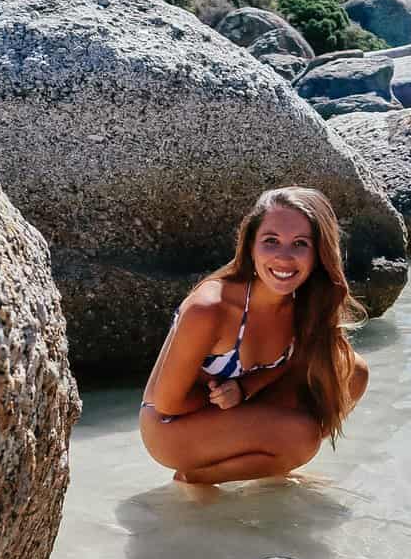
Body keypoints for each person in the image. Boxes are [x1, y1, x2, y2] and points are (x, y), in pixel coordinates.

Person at [140, 186, 369, 484]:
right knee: (301, 436)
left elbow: (293, 361)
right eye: (271, 241)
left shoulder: (306, 303)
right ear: (251, 245)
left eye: (300, 244)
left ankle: (273, 463)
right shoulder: (211, 307)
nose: (284, 258)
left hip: (237, 404)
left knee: (353, 373)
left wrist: (245, 388)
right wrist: (230, 398)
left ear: (319, 253)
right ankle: (196, 477)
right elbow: (167, 403)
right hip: (170, 425)